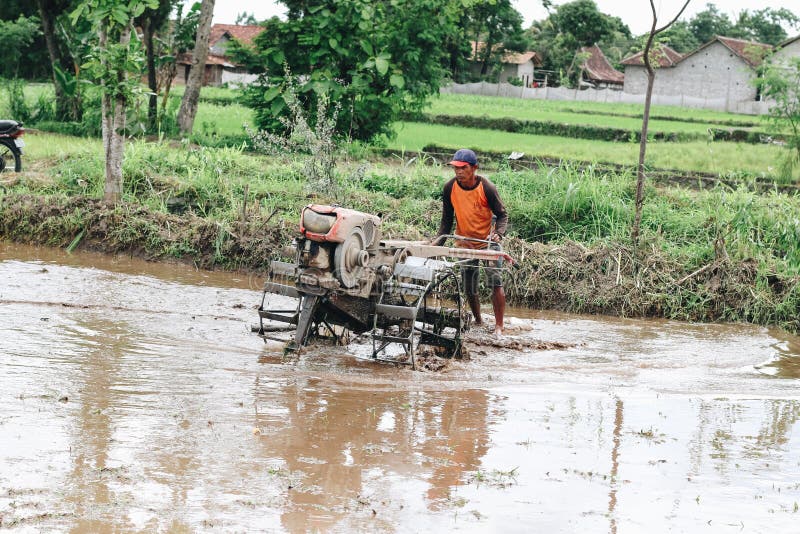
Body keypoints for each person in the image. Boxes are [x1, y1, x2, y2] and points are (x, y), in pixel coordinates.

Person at [433, 148, 508, 337]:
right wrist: (436, 244)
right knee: (469, 286)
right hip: (464, 242)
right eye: (456, 168)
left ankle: (499, 326)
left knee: (495, 282)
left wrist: (498, 233)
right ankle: (478, 320)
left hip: (487, 242)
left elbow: (502, 215)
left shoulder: (486, 187)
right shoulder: (450, 187)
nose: (458, 172)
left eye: (463, 168)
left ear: (474, 168)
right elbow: (446, 221)